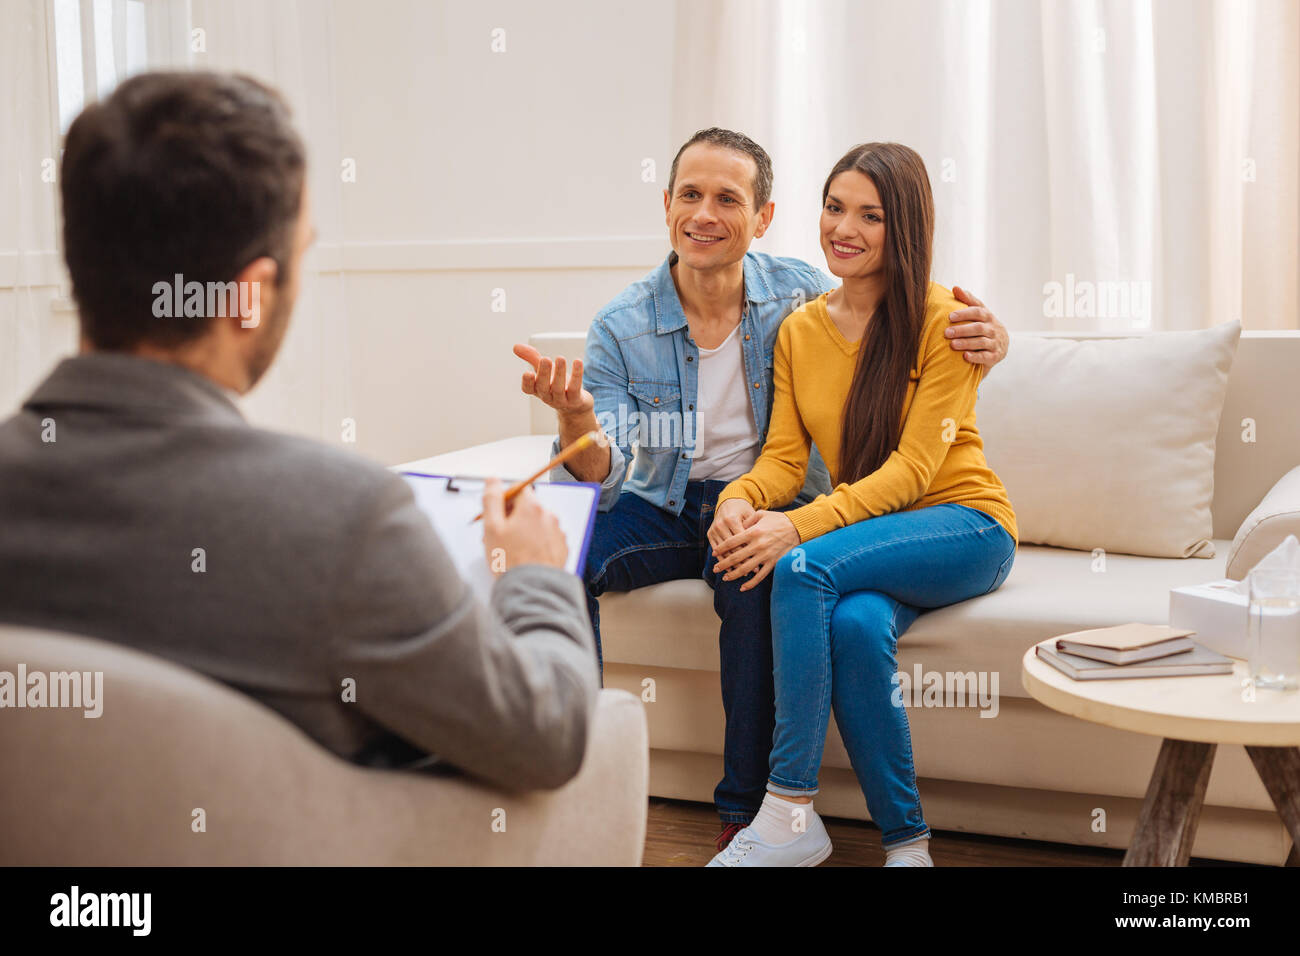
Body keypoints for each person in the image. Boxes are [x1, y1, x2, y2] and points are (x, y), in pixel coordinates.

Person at [0, 71, 599, 792]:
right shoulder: (344, 518)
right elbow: (549, 738)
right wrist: (531, 576)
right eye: (303, 252)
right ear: (250, 295)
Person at [514, 128, 1011, 848]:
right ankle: (583, 773)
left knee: (774, 576)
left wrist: (997, 339)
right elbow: (617, 469)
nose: (705, 214)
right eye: (690, 195)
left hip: (863, 512)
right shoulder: (635, 326)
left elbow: (910, 438)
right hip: (667, 504)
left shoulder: (823, 299)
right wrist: (576, 420)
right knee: (568, 552)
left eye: (728, 198)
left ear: (764, 216)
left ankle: (757, 814)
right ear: (666, 205)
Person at [704, 143, 1019, 867]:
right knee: (852, 624)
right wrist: (738, 500)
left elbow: (912, 473)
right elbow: (785, 460)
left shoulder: (948, 322)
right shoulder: (801, 331)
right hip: (876, 537)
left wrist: (795, 527)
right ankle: (909, 847)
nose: (844, 228)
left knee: (803, 567)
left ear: (903, 226)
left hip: (966, 527)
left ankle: (787, 809)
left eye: (870, 215)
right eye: (835, 207)